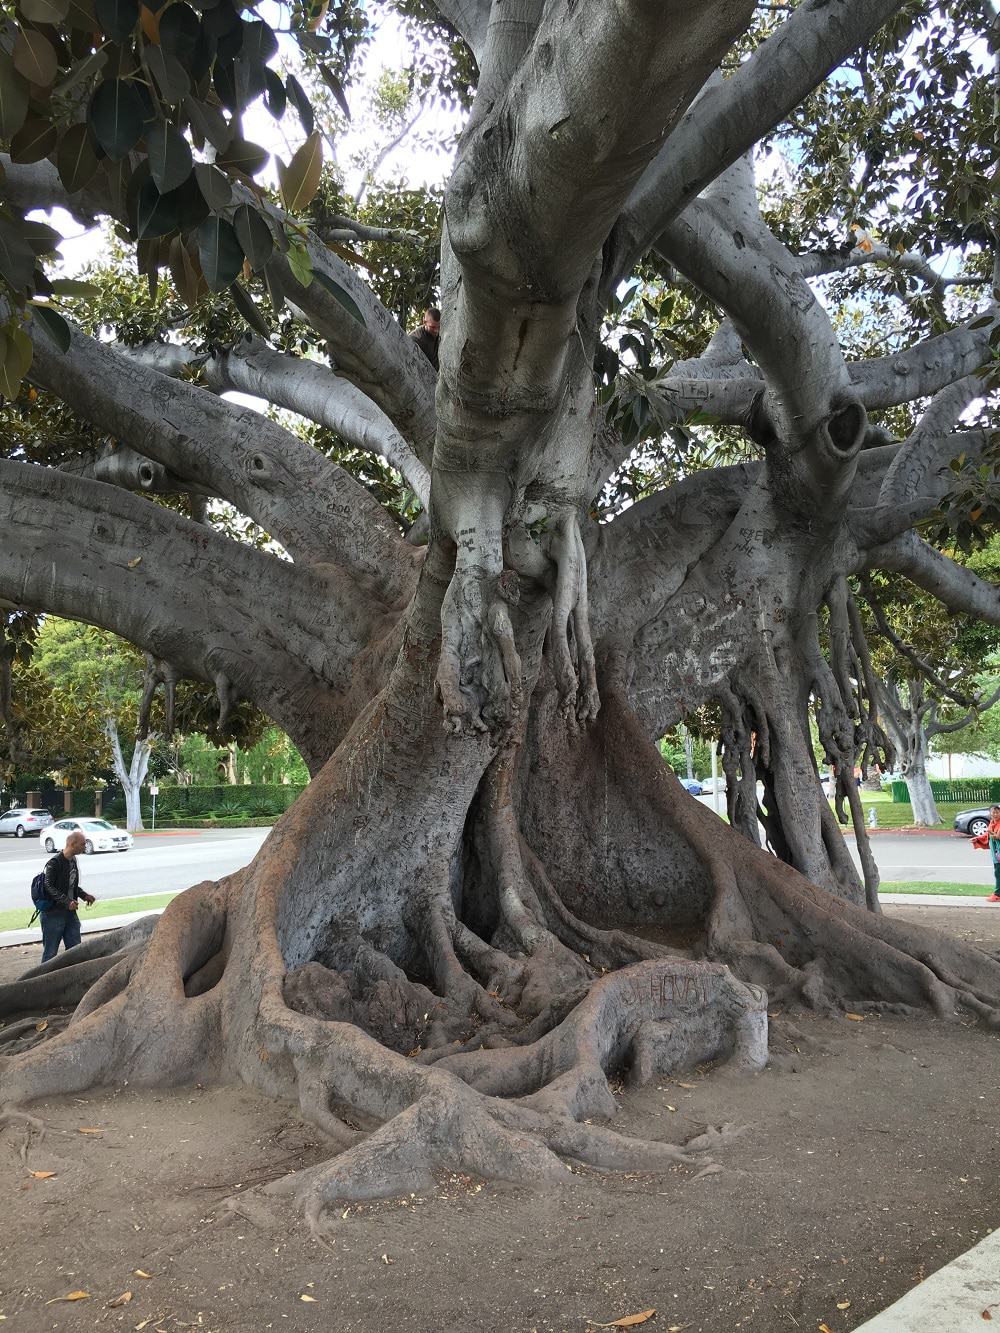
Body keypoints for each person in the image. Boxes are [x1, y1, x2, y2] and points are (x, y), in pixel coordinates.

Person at [39, 831, 96, 962]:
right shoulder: (54, 862)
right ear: (72, 844)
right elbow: (48, 886)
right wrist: (66, 901)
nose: (84, 847)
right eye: (82, 844)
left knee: (75, 950)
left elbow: (72, 885)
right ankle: (44, 980)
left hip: (70, 913)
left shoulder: (73, 861)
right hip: (53, 914)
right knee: (50, 953)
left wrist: (84, 895)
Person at [971, 805, 1000, 902]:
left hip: (998, 854)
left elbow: (997, 837)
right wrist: (977, 838)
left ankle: (997, 895)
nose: (995, 814)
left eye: (997, 812)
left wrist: (991, 832)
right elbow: (987, 835)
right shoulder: (992, 823)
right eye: (993, 812)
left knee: (998, 873)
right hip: (996, 854)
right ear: (990, 813)